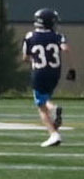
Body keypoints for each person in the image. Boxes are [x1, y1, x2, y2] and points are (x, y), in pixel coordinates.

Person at [26, 8, 67, 148]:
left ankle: (53, 134)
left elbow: (24, 57)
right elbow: (66, 48)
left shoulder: (30, 36)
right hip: (55, 72)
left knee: (41, 106)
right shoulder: (58, 36)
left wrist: (33, 60)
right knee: (45, 99)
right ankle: (53, 116)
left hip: (39, 72)